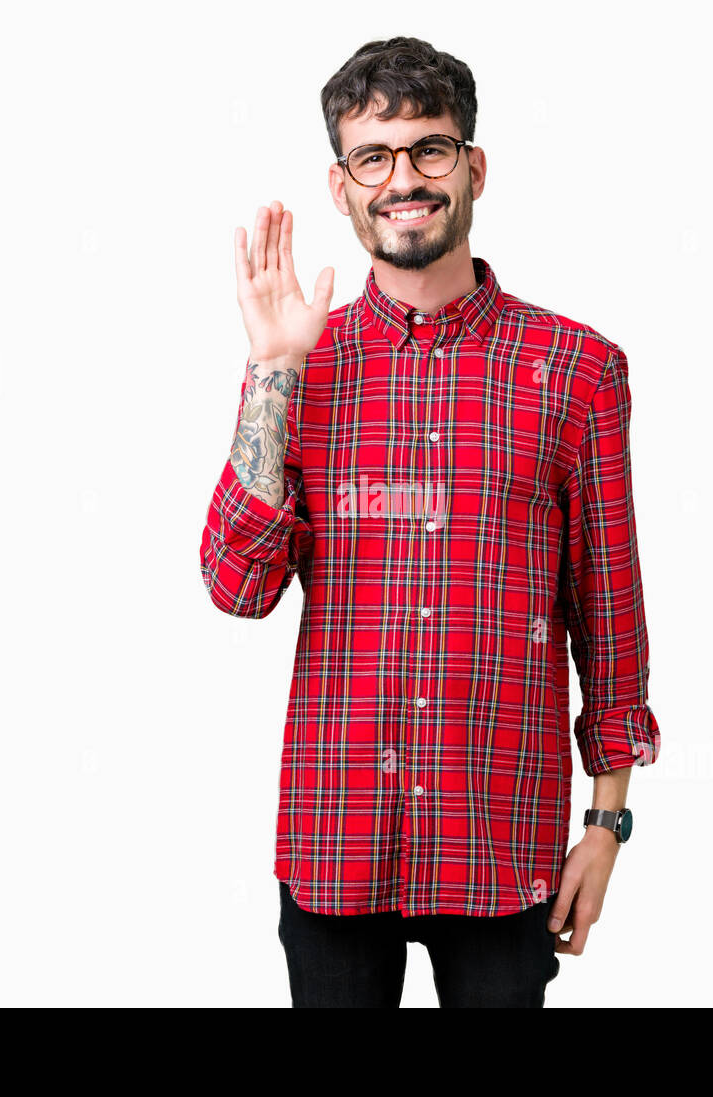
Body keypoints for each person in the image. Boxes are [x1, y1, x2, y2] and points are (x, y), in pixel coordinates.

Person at [200, 36, 661, 1008]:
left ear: (473, 166)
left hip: (500, 844)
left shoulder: (574, 369)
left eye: (428, 150)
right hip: (336, 840)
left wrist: (606, 826)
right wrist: (272, 374)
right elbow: (237, 587)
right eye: (375, 156)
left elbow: (608, 612)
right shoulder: (303, 366)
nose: (401, 179)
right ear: (341, 184)